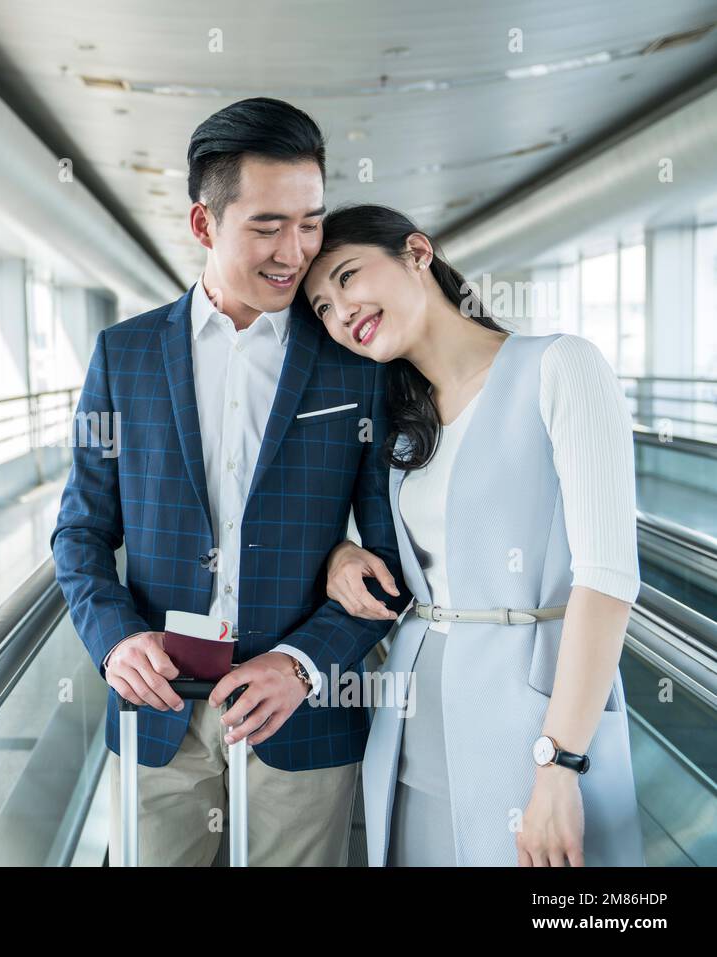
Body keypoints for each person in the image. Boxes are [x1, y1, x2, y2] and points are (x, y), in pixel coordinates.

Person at [50, 99, 407, 866]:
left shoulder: (356, 360)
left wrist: (304, 665)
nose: (295, 249)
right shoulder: (124, 356)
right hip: (158, 709)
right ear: (205, 225)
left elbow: (391, 561)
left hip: (302, 712)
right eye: (268, 225)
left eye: (310, 222)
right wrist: (114, 643)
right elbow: (79, 531)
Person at [306, 204, 645, 866]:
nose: (340, 312)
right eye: (320, 307)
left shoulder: (561, 367)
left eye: (348, 277)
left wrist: (560, 762)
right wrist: (344, 552)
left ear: (418, 253)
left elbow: (608, 579)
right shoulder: (405, 425)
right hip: (413, 721)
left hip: (532, 722)